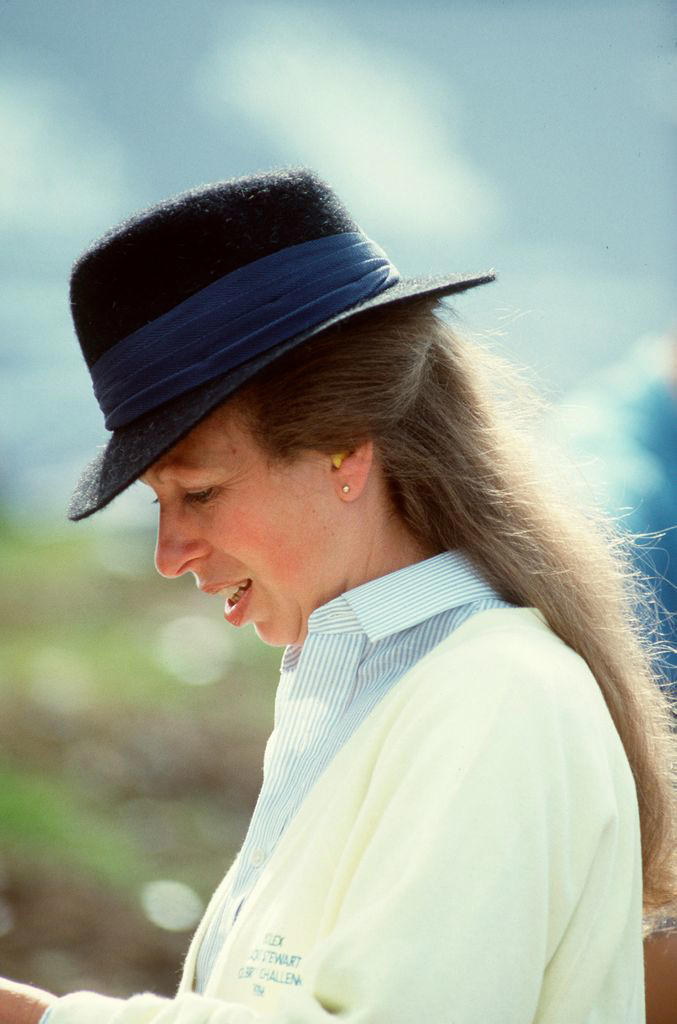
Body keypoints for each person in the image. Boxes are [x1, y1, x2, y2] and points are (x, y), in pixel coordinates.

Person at [1, 169, 675, 1024]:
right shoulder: (378, 686)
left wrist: (38, 1018)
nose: (169, 554)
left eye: (198, 493)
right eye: (158, 506)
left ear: (343, 453)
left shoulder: (497, 699)